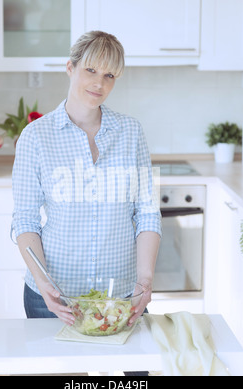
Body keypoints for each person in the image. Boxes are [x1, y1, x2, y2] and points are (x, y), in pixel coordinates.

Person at [12, 31, 162, 329]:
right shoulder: (36, 136)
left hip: (121, 295)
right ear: (70, 67)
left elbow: (147, 213)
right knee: (67, 375)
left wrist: (144, 281)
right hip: (54, 297)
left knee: (138, 373)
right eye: (90, 70)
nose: (99, 83)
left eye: (109, 75)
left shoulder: (131, 133)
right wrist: (43, 284)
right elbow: (25, 221)